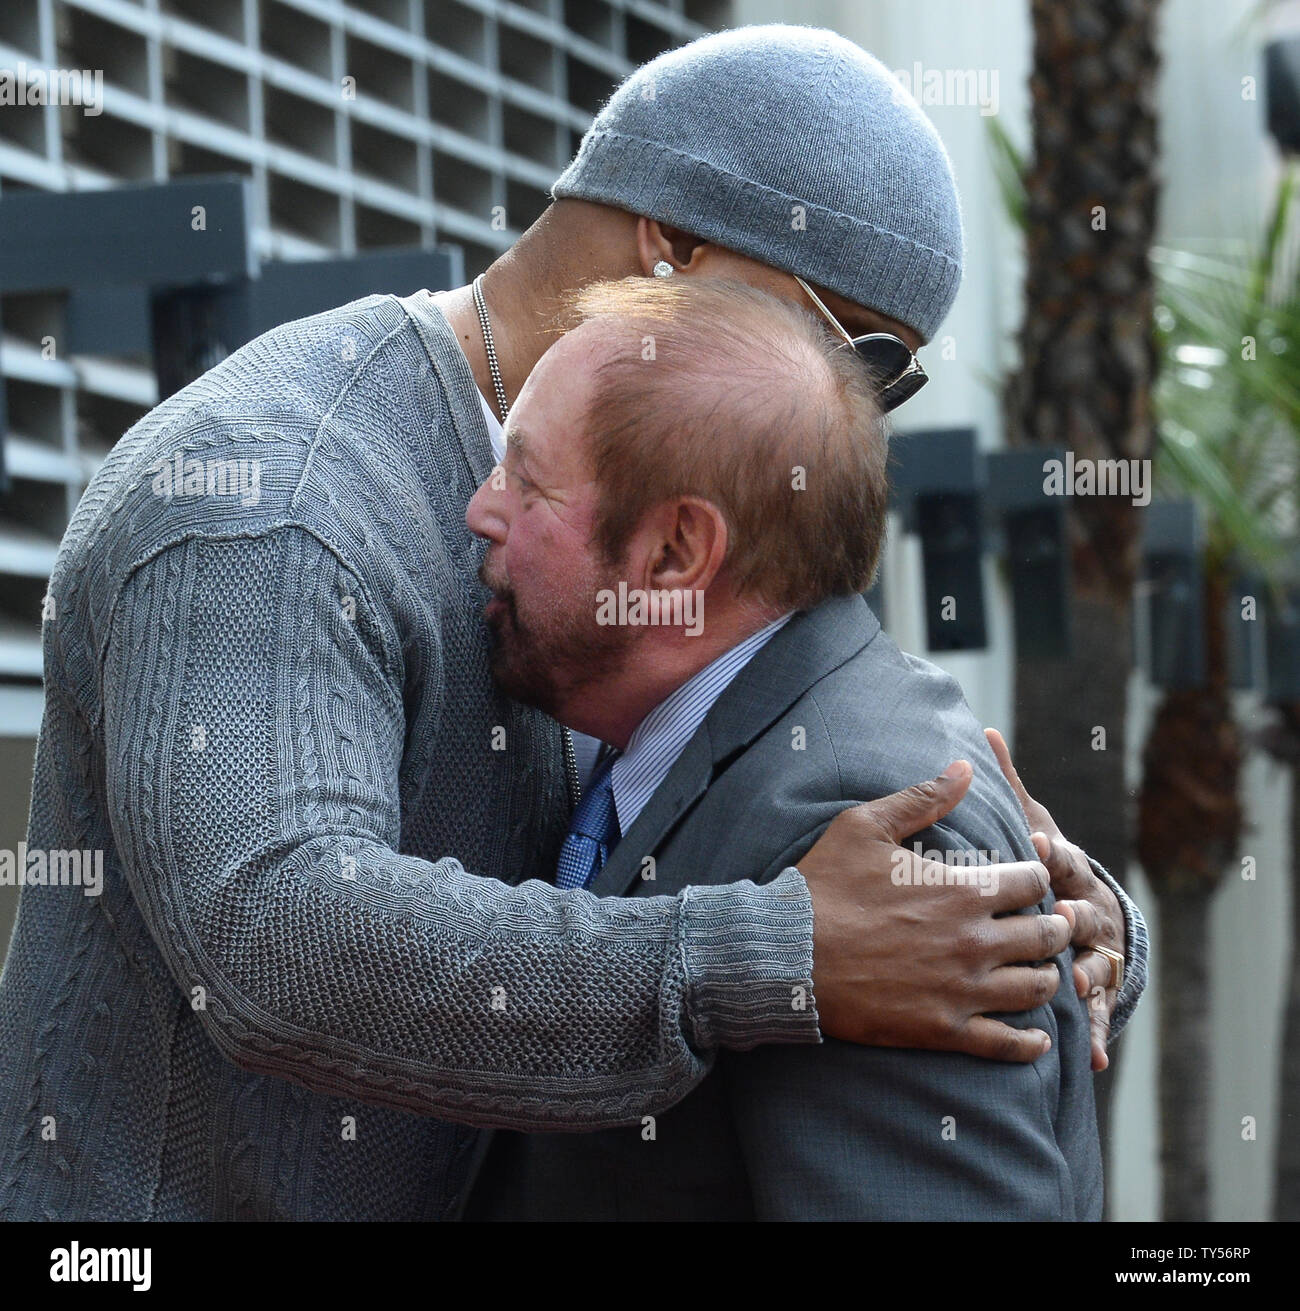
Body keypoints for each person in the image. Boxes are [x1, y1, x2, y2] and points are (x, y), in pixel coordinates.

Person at [0, 25, 1144, 1222]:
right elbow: (279, 939)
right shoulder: (271, 498)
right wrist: (774, 958)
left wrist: (1053, 922)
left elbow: (778, 759)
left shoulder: (652, 532)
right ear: (672, 257)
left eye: (884, 384)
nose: (844, 408)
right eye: (846, 347)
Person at [463, 276, 1107, 1220]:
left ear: (676, 554)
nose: (484, 509)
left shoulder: (878, 843)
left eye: (527, 480)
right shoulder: (687, 733)